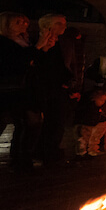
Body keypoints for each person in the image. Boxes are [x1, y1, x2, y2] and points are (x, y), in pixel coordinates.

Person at [0, 12, 54, 180]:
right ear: (3, 24)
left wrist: (42, 49)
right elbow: (11, 64)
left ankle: (20, 160)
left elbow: (31, 63)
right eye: (18, 22)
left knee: (27, 123)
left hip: (21, 92)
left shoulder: (23, 41)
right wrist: (38, 47)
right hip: (1, 92)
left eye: (25, 22)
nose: (23, 25)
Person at [33, 14, 78, 164]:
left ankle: (51, 152)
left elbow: (69, 64)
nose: (63, 27)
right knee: (49, 122)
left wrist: (72, 83)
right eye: (59, 23)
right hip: (46, 88)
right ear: (47, 25)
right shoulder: (38, 41)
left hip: (60, 88)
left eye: (64, 24)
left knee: (57, 122)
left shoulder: (64, 41)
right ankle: (44, 153)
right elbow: (41, 65)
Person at [73, 88, 106, 157]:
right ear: (93, 98)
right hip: (84, 125)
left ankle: (85, 152)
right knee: (82, 140)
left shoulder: (96, 108)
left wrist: (102, 118)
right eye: (101, 100)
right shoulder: (89, 108)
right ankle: (81, 153)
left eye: (104, 100)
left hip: (89, 126)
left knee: (86, 139)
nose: (103, 102)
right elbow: (89, 117)